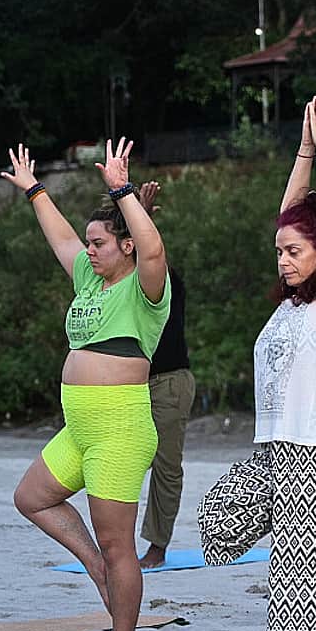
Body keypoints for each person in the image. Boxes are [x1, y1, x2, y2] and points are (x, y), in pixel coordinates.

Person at [197, 94, 316, 631]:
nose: (285, 260)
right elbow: (292, 211)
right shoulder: (290, 306)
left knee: (305, 613)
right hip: (272, 459)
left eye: (296, 251)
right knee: (217, 528)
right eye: (281, 252)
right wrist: (303, 148)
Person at [5, 138, 171, 631]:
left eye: (100, 243)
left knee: (120, 544)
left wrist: (122, 191)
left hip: (120, 427)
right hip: (79, 427)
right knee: (31, 497)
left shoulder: (146, 289)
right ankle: (98, 569)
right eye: (90, 243)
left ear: (123, 246)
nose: (90, 249)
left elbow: (153, 250)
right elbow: (59, 238)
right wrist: (34, 189)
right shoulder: (90, 278)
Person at [133, 181, 196, 571]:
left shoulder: (167, 283)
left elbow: (149, 254)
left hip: (170, 381)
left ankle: (158, 546)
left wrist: (139, 214)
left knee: (166, 467)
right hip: (135, 384)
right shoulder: (129, 286)